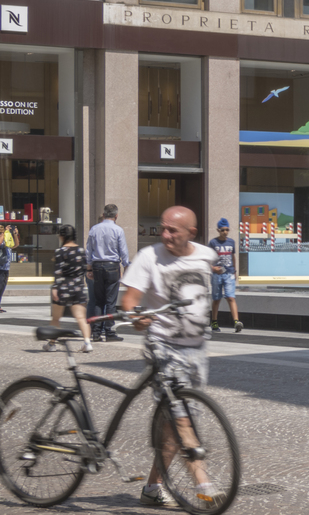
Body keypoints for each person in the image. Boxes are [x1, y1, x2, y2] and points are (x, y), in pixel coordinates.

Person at [119, 204, 220, 509]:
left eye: (172, 230)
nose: (165, 235)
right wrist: (136, 316)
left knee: (173, 426)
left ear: (192, 232)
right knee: (182, 417)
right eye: (162, 228)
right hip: (163, 346)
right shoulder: (149, 257)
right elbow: (130, 299)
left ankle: (153, 487)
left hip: (197, 349)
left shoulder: (207, 255)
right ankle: (205, 486)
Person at [85, 204, 129, 343]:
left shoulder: (94, 229)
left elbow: (89, 250)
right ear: (116, 216)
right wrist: (126, 265)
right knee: (111, 301)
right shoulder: (118, 230)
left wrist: (89, 268)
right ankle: (109, 332)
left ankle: (96, 332)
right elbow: (123, 251)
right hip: (112, 266)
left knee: (98, 300)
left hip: (97, 265)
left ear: (103, 215)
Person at [49, 224, 89, 350]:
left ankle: (51, 344)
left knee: (56, 318)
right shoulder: (81, 250)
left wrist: (55, 288)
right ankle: (87, 343)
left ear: (62, 236)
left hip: (63, 287)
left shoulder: (60, 251)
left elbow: (58, 271)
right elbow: (85, 268)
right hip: (78, 286)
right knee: (81, 317)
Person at [209, 219, 242, 335]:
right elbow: (208, 259)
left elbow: (233, 256)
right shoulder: (213, 243)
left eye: (227, 230)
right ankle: (214, 322)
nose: (225, 232)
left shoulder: (231, 242)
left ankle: (236, 321)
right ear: (218, 230)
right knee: (216, 299)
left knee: (230, 297)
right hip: (217, 274)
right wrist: (213, 268)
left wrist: (234, 270)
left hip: (228, 273)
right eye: (223, 230)